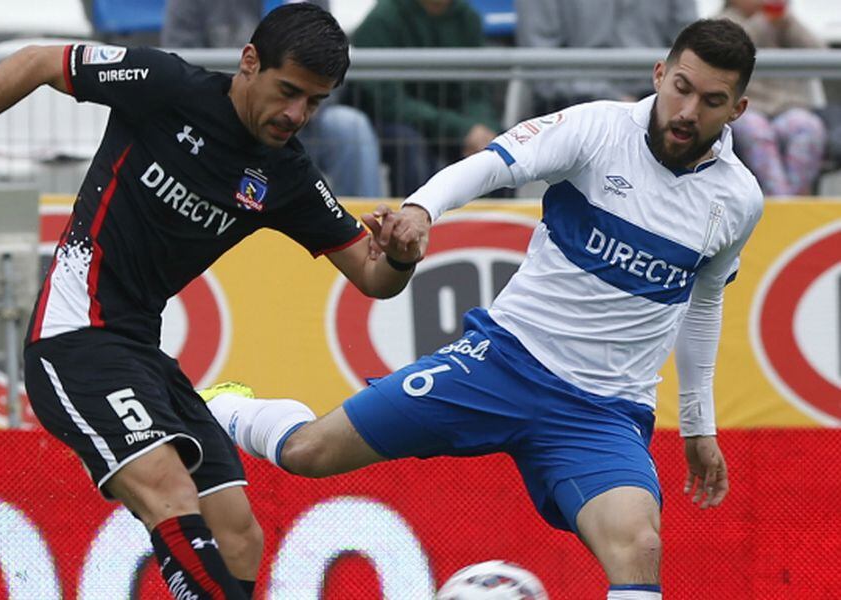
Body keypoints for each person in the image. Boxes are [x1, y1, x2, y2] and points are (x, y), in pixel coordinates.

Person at [202, 18, 763, 599]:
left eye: (711, 100)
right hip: (502, 363)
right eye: (681, 87)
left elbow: (704, 303)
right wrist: (420, 210)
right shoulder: (596, 129)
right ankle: (226, 410)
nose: (688, 111)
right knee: (308, 452)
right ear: (659, 73)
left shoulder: (738, 200)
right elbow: (493, 164)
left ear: (738, 109)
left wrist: (698, 424)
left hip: (601, 413)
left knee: (640, 547)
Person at [0, 5, 420, 599]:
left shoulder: (287, 175)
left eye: (314, 103)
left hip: (142, 352)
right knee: (170, 491)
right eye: (288, 91)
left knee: (239, 535)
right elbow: (38, 63)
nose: (296, 115)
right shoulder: (167, 86)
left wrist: (400, 252)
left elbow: (375, 280)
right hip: (74, 335)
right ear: (249, 62)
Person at [162, 0, 384, 198]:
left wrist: (301, 108)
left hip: (304, 130)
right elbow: (183, 67)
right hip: (220, 120)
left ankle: (360, 225)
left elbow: (328, 68)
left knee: (351, 127)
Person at [349, 0, 501, 197]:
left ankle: (498, 224)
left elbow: (477, 92)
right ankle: (412, 223)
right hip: (393, 122)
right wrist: (461, 129)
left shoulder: (468, 16)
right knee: (408, 145)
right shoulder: (382, 19)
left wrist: (483, 128)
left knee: (499, 147)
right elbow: (389, 102)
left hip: (450, 122)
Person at [720, 0, 828, 196]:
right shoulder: (720, 22)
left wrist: (789, 22)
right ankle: (781, 202)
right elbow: (732, 50)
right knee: (757, 132)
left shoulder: (787, 24)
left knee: (808, 127)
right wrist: (763, 23)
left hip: (789, 107)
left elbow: (821, 53)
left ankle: (792, 205)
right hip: (744, 107)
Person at [515, 0, 698, 114]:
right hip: (574, 105)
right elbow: (541, 66)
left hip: (658, 99)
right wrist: (612, 99)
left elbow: (691, 49)